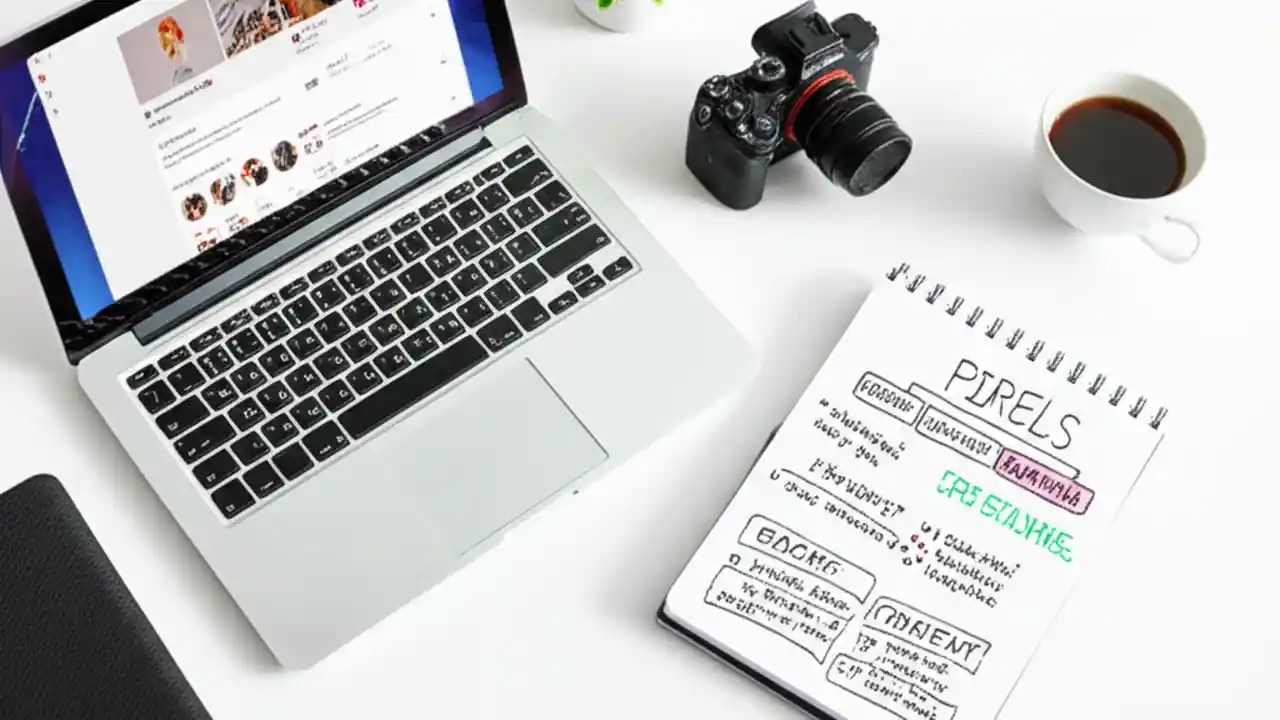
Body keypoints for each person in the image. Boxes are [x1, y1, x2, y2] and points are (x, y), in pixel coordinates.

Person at [157, 16, 195, 88]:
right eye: (166, 44)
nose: (175, 47)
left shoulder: (190, 77)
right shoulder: (176, 79)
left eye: (178, 41)